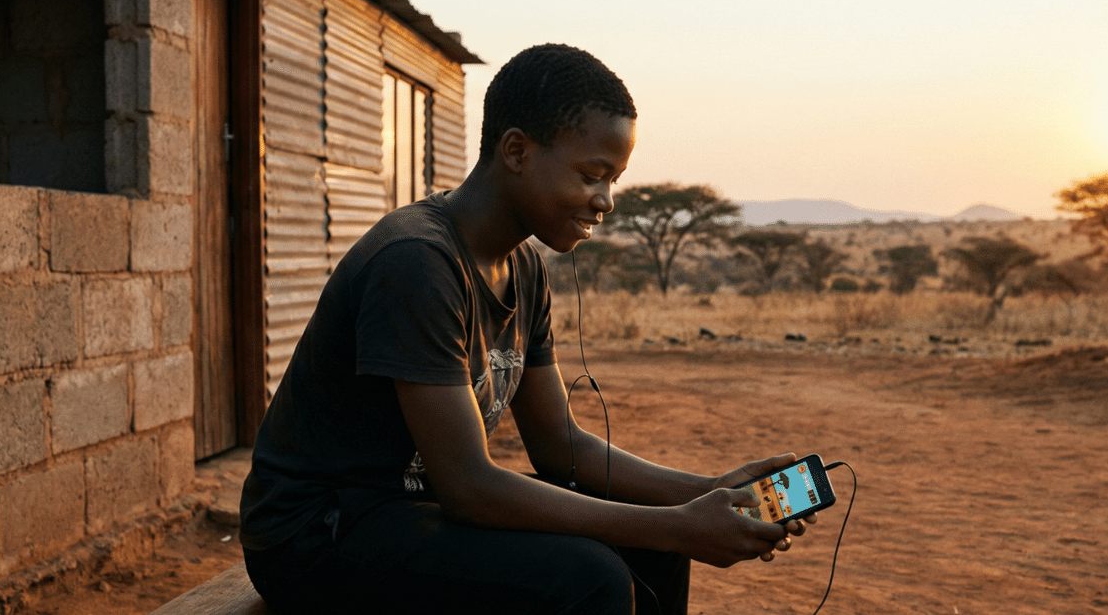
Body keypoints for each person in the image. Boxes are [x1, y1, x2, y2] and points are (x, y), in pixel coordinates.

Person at [239, 43, 819, 615]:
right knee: (593, 580)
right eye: (593, 175)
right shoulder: (417, 261)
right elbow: (469, 487)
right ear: (516, 150)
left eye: (613, 180)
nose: (606, 201)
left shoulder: (524, 268)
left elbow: (560, 446)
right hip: (319, 533)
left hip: (413, 512)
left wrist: (707, 491)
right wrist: (673, 526)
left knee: (652, 552)